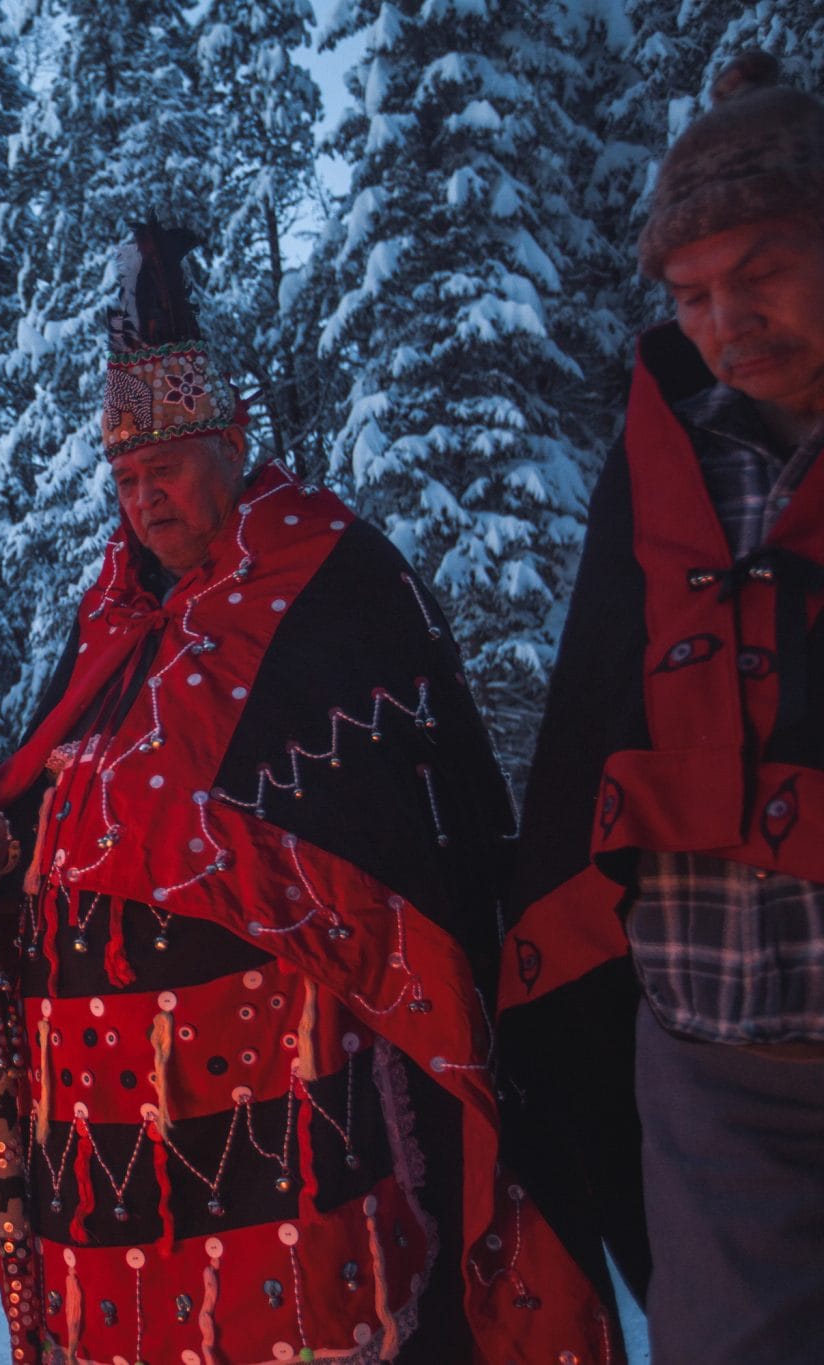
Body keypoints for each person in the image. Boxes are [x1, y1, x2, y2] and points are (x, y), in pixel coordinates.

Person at [0, 224, 615, 1364]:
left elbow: (390, 849)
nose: (143, 501)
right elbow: (38, 815)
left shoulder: (329, 582)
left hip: (287, 1139)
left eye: (166, 469)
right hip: (105, 1160)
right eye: (126, 479)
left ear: (230, 445)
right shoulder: (111, 621)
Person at [500, 51, 824, 1365]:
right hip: (710, 1043)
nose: (725, 321)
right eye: (691, 294)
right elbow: (601, 705)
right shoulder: (665, 455)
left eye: (762, 274)